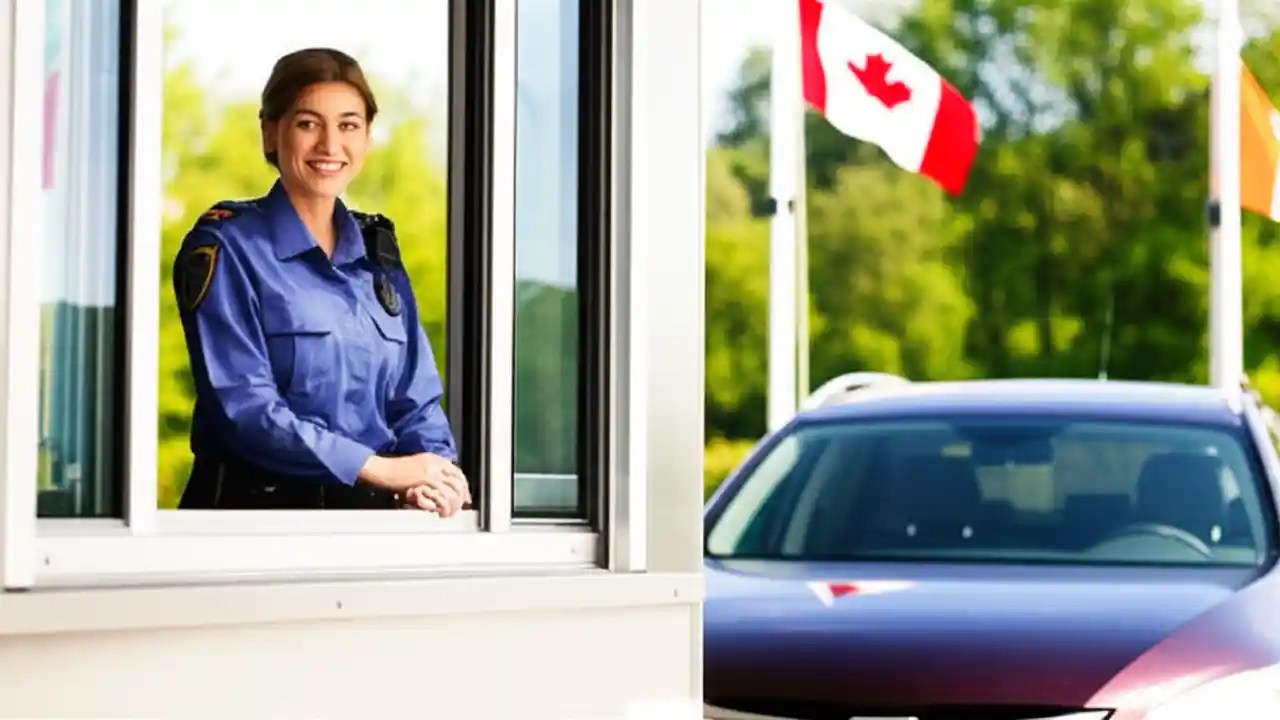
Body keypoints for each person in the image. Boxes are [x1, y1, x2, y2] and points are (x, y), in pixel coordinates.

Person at [171, 48, 469, 515]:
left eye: (348, 125)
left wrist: (434, 477)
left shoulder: (378, 258)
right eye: (308, 124)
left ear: (368, 137)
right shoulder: (228, 248)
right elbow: (245, 410)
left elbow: (417, 402)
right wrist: (383, 469)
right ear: (271, 132)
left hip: (370, 522)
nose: (330, 145)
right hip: (254, 520)